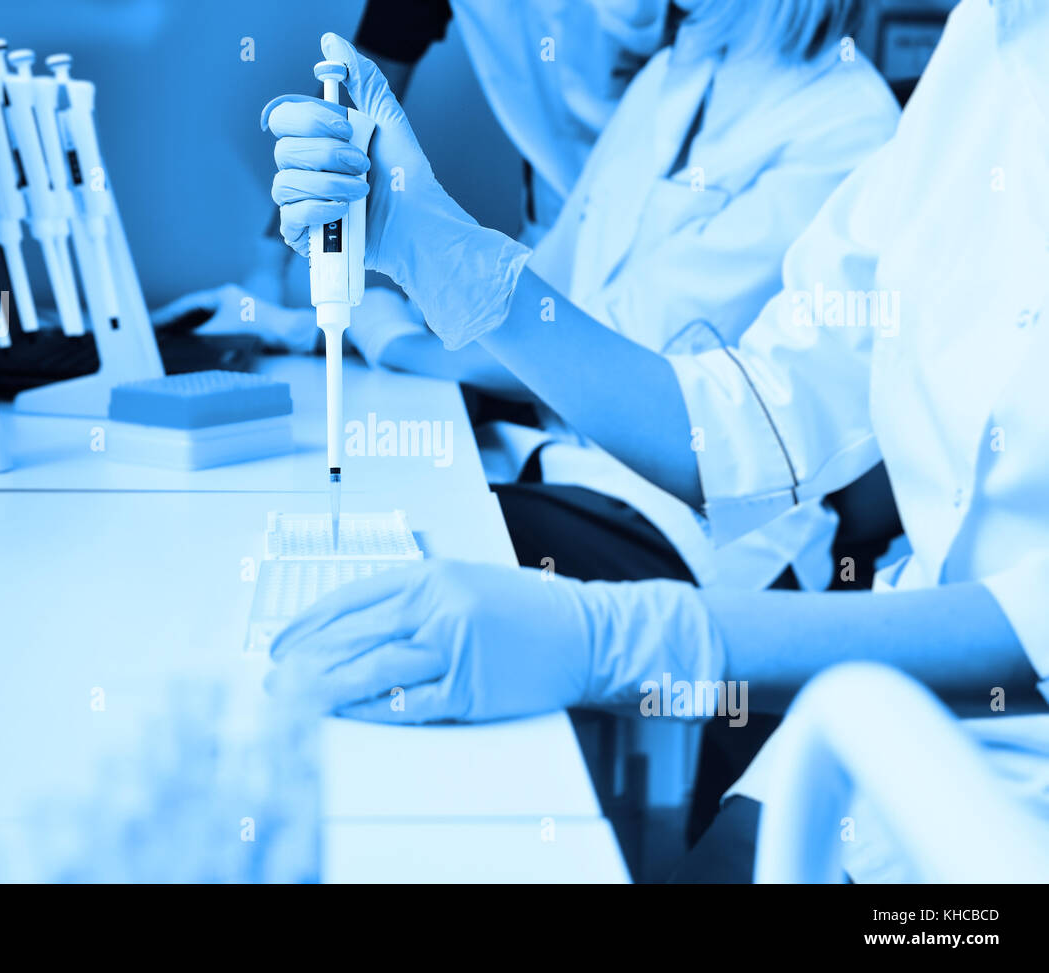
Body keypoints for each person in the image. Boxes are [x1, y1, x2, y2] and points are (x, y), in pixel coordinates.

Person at [263, 0, 1049, 883]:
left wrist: (623, 639)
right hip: (881, 739)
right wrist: (437, 251)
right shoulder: (986, 44)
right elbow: (753, 414)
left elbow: (1033, 623)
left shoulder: (848, 109)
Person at [333, 0, 898, 594]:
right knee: (376, 513)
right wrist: (338, 316)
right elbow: (549, 288)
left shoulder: (848, 126)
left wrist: (389, 335)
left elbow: (604, 352)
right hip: (570, 463)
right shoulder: (671, 76)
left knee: (401, 560)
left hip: (706, 532)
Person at [151, 0, 670, 352]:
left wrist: (374, 331)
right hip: (565, 222)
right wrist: (267, 281)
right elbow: (355, 96)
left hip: (670, 207)